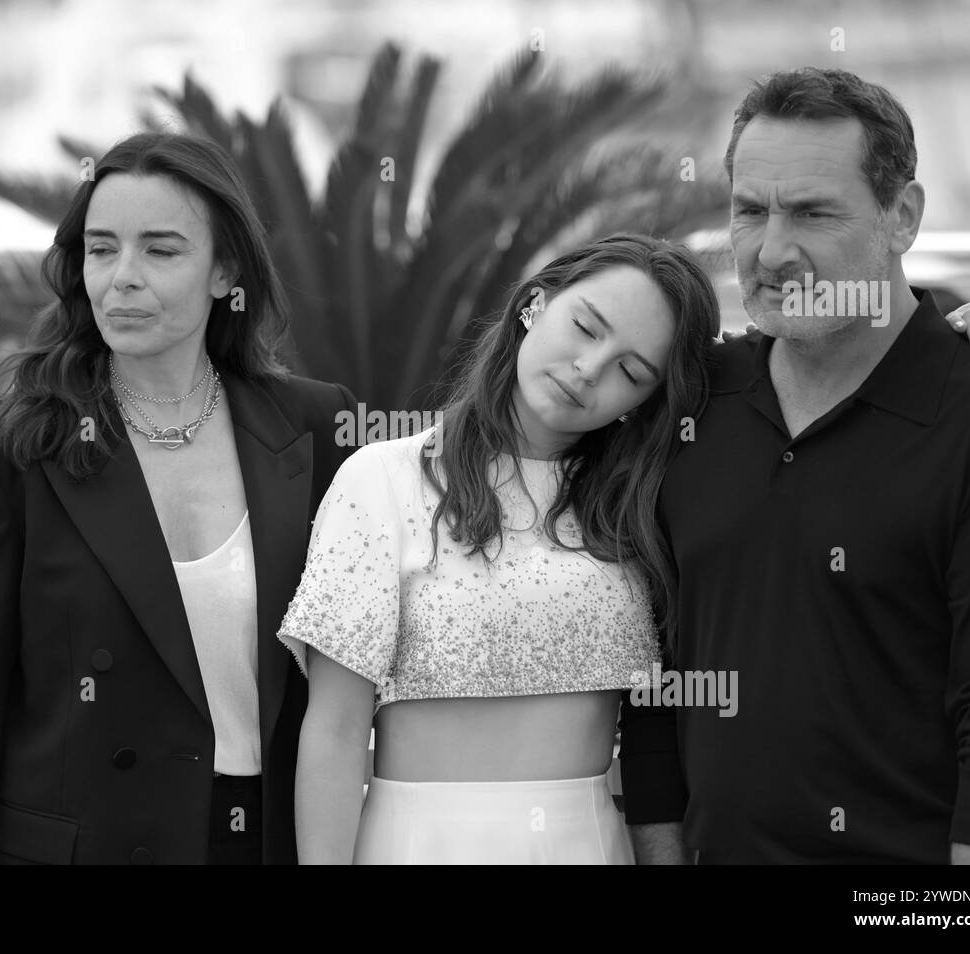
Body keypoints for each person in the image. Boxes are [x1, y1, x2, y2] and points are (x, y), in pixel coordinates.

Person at [625, 67, 970, 864]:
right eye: (751, 212)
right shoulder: (689, 401)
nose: (773, 251)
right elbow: (656, 676)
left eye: (813, 212)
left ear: (902, 217)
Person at [0, 132, 357, 864]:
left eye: (161, 250)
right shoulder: (2, 444)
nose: (121, 278)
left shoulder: (318, 428)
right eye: (101, 248)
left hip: (268, 841)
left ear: (225, 271)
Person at [278, 233, 720, 863]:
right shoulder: (381, 479)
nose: (589, 369)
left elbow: (658, 735)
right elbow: (334, 731)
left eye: (631, 370)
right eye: (586, 327)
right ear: (534, 304)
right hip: (415, 845)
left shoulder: (642, 513)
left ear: (646, 401)